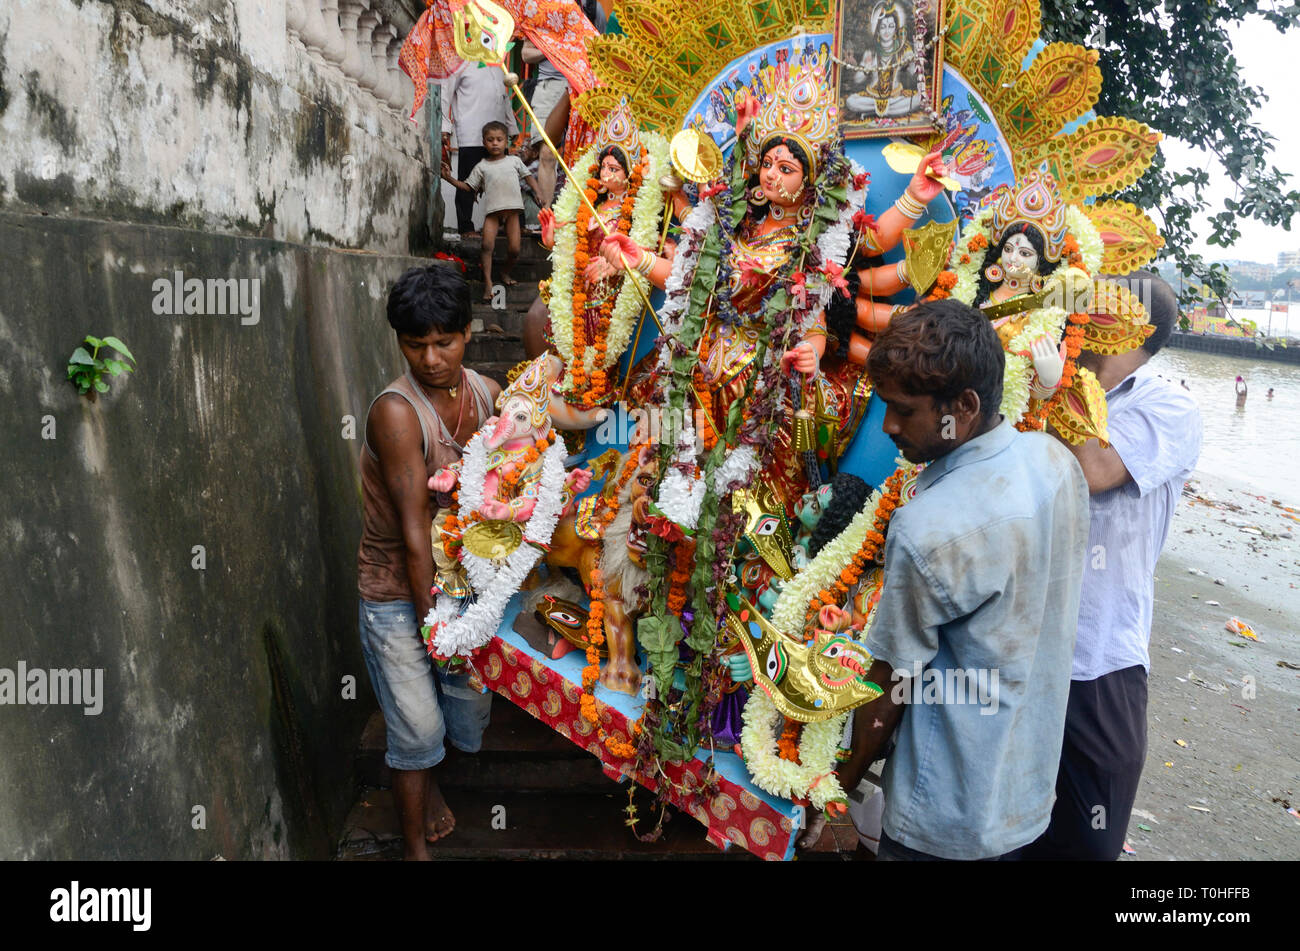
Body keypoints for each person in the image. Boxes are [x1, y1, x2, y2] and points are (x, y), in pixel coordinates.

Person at [835, 299, 1091, 861]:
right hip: (1023, 792)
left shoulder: (929, 527)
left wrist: (838, 784)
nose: (888, 426)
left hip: (942, 810)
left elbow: (889, 685)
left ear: (964, 407)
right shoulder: (1054, 462)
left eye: (903, 411)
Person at [1021, 272, 1202, 860]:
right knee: (1006, 828)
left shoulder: (1167, 406)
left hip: (1099, 657)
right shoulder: (1046, 375)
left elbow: (1095, 473)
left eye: (1094, 306)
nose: (1080, 315)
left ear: (1131, 326)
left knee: (1089, 841)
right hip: (1018, 644)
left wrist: (1055, 396)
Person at [357, 264, 501, 860]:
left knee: (464, 722)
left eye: (444, 342)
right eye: (415, 345)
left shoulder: (490, 395)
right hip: (397, 588)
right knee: (416, 729)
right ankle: (414, 848)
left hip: (469, 582)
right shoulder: (397, 413)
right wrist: (435, 628)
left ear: (469, 333)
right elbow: (417, 533)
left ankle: (433, 771)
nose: (431, 358)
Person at [442, 121, 544, 300]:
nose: (495, 143)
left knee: (514, 249)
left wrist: (538, 192)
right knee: (487, 246)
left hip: (512, 213)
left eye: (499, 139)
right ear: (484, 142)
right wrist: (448, 178)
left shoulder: (515, 161)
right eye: (490, 140)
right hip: (493, 213)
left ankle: (505, 272)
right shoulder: (482, 166)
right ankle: (488, 283)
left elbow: (529, 178)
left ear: (507, 142)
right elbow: (467, 186)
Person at [439, 60, 519, 238]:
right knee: (468, 182)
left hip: (498, 133)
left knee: (503, 183)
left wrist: (512, 127)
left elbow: (504, 98)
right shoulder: (459, 63)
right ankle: (466, 227)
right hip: (471, 132)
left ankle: (504, 225)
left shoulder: (498, 66)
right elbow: (446, 93)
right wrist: (445, 126)